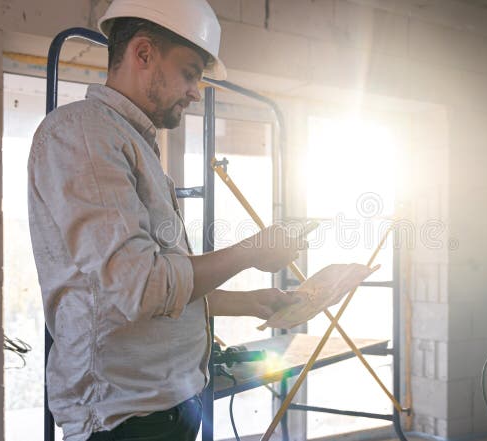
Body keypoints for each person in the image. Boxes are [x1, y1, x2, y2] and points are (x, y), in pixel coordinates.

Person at [27, 1, 303, 440]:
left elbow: (151, 290)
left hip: (162, 406)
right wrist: (252, 251)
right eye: (190, 72)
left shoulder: (130, 143)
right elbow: (143, 286)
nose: (196, 91)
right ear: (142, 54)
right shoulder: (84, 135)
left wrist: (245, 301)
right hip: (128, 421)